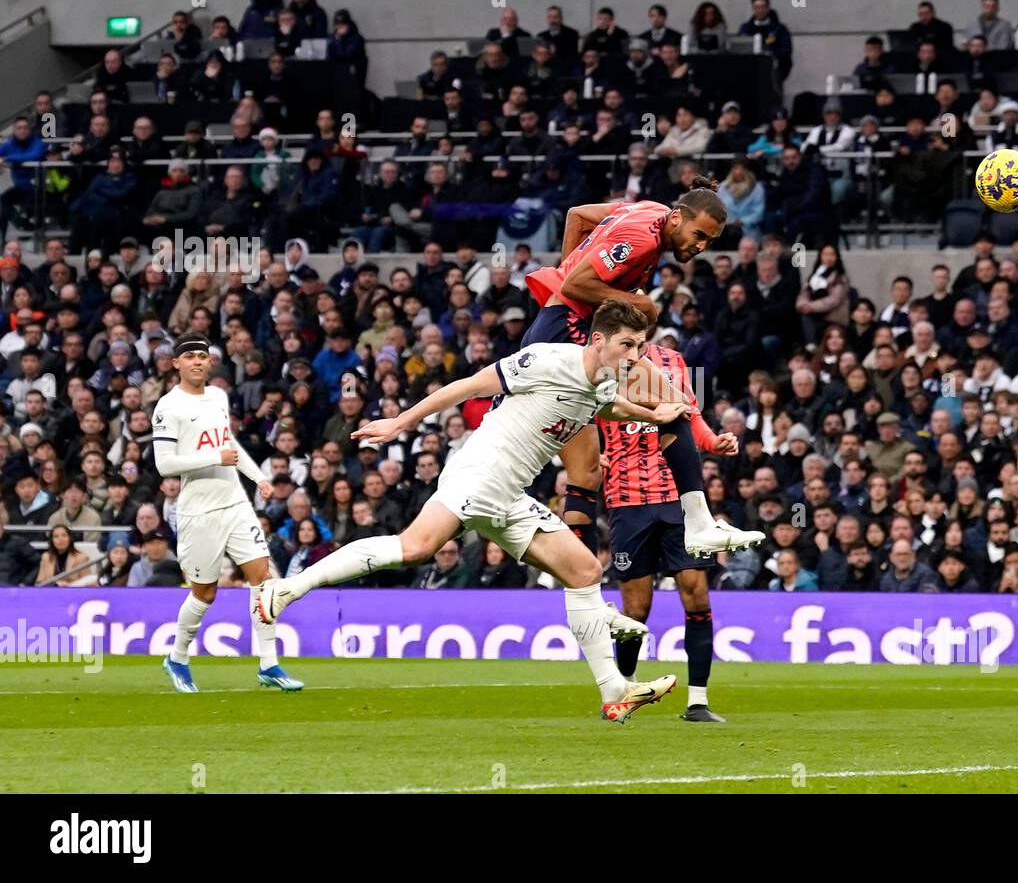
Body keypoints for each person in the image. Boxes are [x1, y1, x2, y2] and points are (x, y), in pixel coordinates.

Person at [258, 301, 685, 724]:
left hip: (510, 492)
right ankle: (289, 588)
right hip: (481, 472)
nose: (635, 356)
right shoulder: (548, 360)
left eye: (640, 346)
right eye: (627, 345)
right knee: (415, 548)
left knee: (585, 571)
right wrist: (400, 423)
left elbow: (604, 405)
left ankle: (614, 692)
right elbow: (469, 385)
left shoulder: (606, 380)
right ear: (598, 340)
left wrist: (653, 413)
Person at [518, 180, 765, 558]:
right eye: (698, 235)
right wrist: (639, 305)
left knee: (585, 474)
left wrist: (570, 273)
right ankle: (698, 524)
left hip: (567, 328)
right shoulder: (642, 239)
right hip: (564, 335)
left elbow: (578, 216)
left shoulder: (650, 209)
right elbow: (577, 282)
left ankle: (583, 596)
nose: (700, 247)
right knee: (668, 403)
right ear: (678, 219)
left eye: (709, 242)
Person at [155, 333, 302, 694]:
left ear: (210, 362)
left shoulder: (218, 396)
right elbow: (164, 464)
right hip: (199, 511)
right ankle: (177, 657)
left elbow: (228, 444)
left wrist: (259, 477)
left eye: (202, 356)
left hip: (235, 502)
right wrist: (215, 459)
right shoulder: (168, 407)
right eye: (189, 356)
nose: (197, 362)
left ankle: (269, 664)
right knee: (204, 593)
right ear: (176, 364)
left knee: (264, 577)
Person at [600, 342, 738, 723]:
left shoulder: (672, 359)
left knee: (696, 597)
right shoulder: (600, 359)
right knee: (636, 610)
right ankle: (621, 693)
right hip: (627, 500)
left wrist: (713, 442)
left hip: (679, 496)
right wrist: (589, 454)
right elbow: (580, 414)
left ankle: (697, 702)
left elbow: (690, 413)